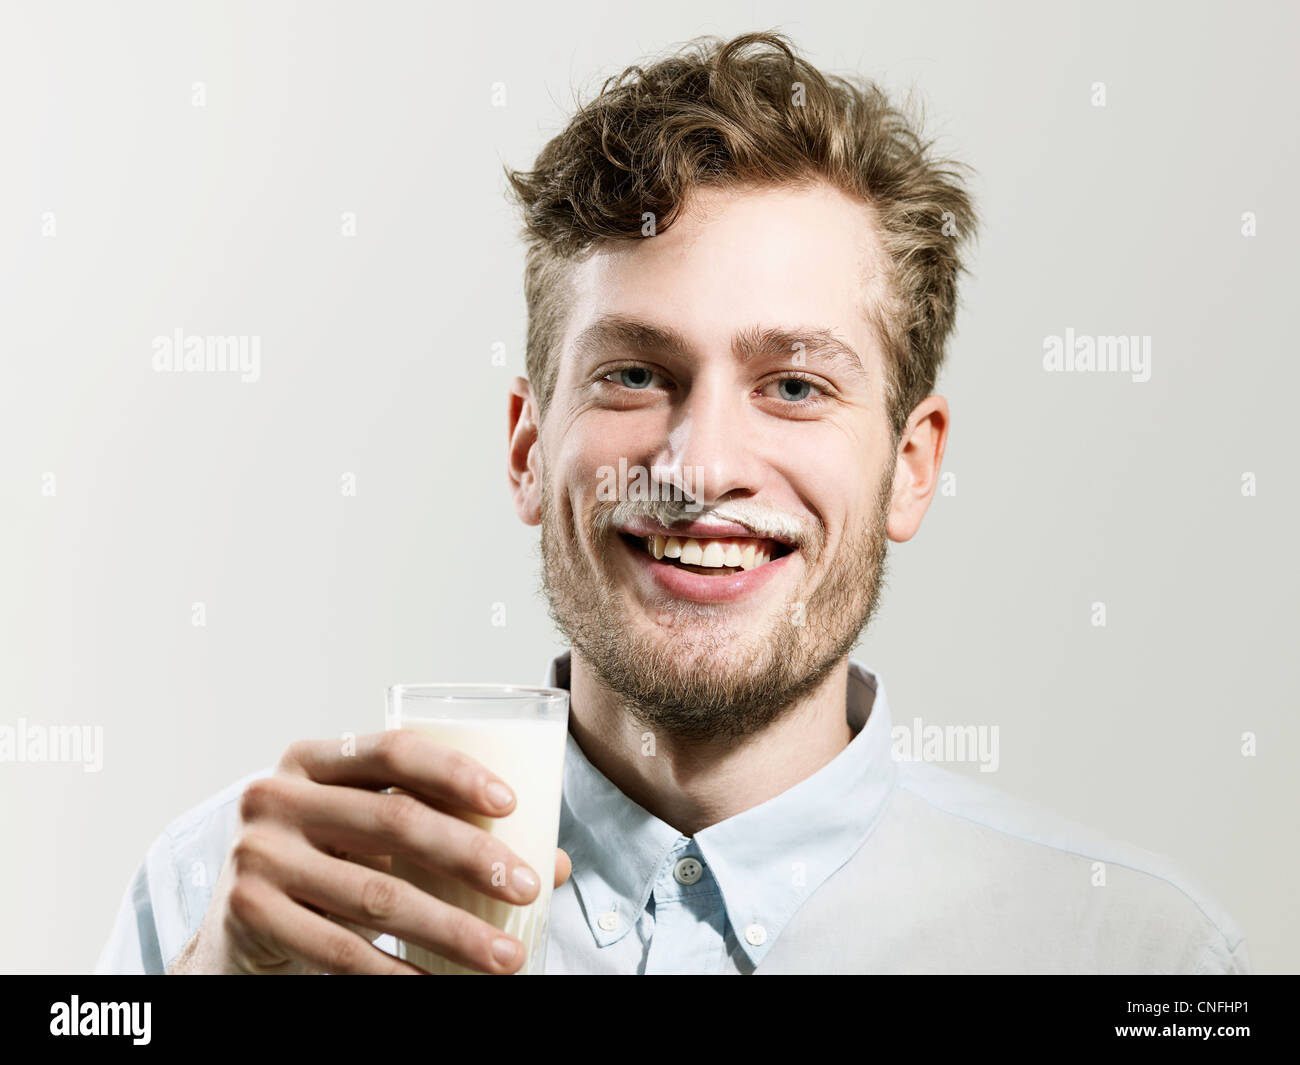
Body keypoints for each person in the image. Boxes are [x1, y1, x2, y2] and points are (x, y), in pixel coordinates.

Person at [96, 30, 1248, 975]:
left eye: (794, 385)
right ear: (526, 450)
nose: (698, 466)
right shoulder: (238, 909)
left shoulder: (1139, 959)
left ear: (911, 466)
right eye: (635, 374)